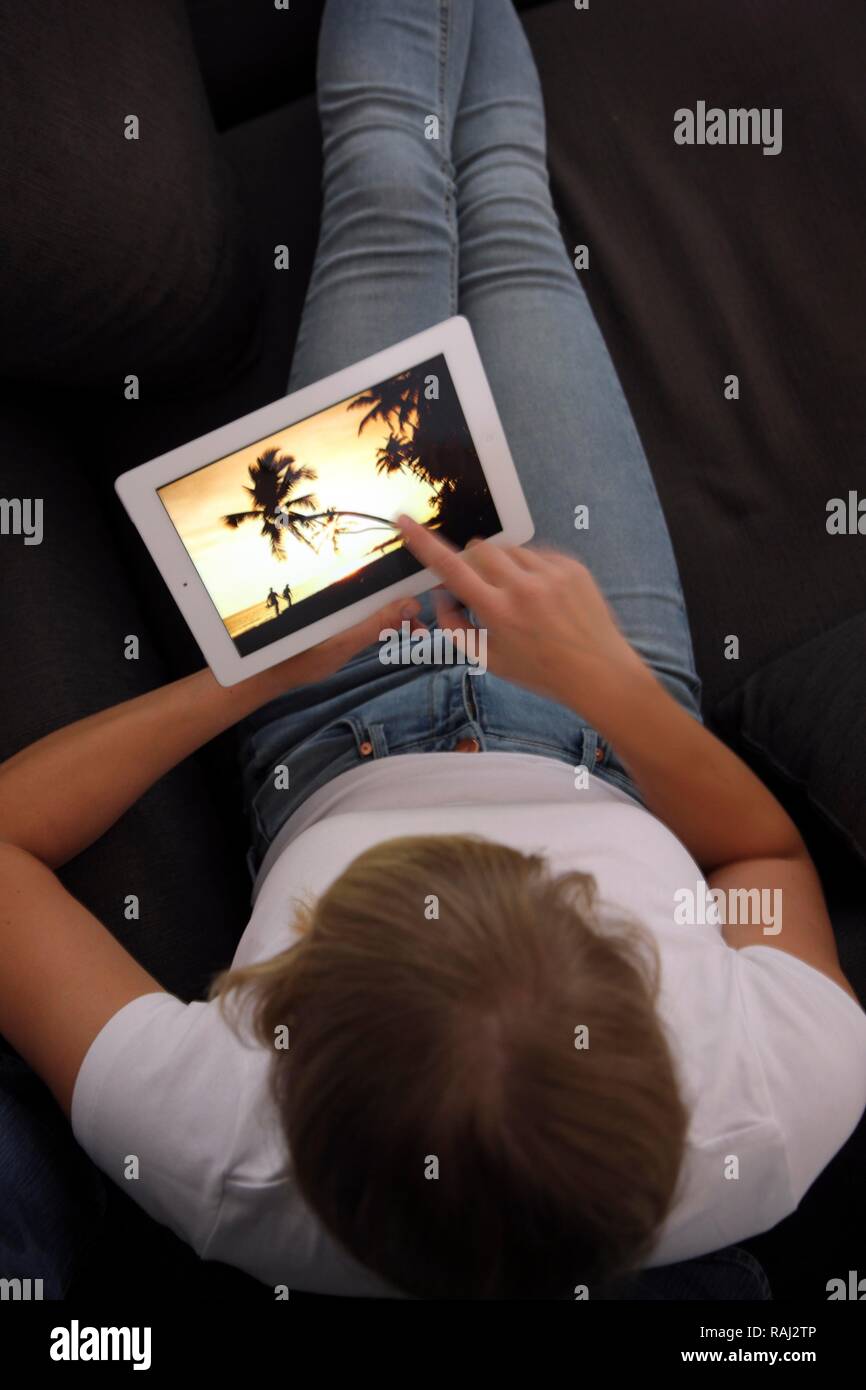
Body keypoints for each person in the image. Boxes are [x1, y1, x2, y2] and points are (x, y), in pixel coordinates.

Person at [0, 0, 864, 1301]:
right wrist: (603, 687)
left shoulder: (208, 1148)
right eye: (588, 911)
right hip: (599, 711)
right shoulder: (787, 1104)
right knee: (514, 222)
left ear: (275, 1040)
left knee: (392, 198)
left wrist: (258, 673)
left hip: (327, 713)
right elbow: (754, 854)